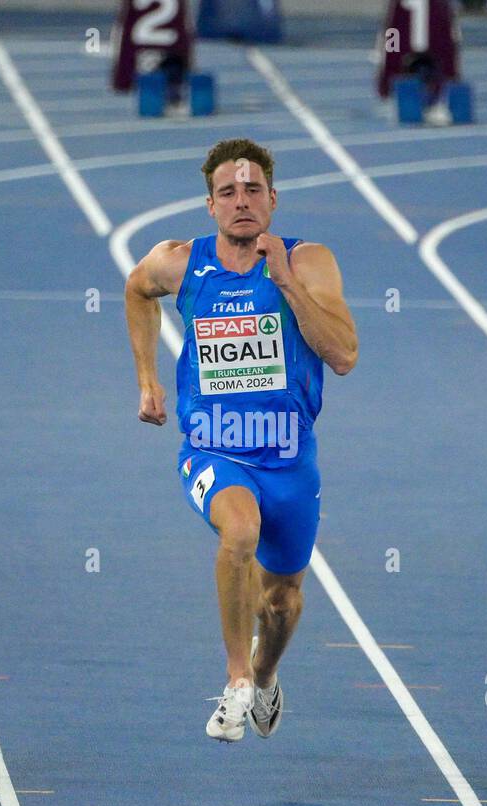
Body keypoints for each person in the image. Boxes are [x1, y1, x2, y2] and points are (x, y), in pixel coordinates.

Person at [124, 138, 358, 742]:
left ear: (273, 200)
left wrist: (288, 286)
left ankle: (263, 672)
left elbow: (344, 355)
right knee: (239, 533)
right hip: (213, 448)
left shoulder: (308, 263)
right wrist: (148, 378)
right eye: (228, 192)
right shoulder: (181, 262)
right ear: (210, 205)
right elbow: (136, 288)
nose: (242, 201)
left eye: (253, 190)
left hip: (288, 460)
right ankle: (234, 683)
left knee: (280, 602)